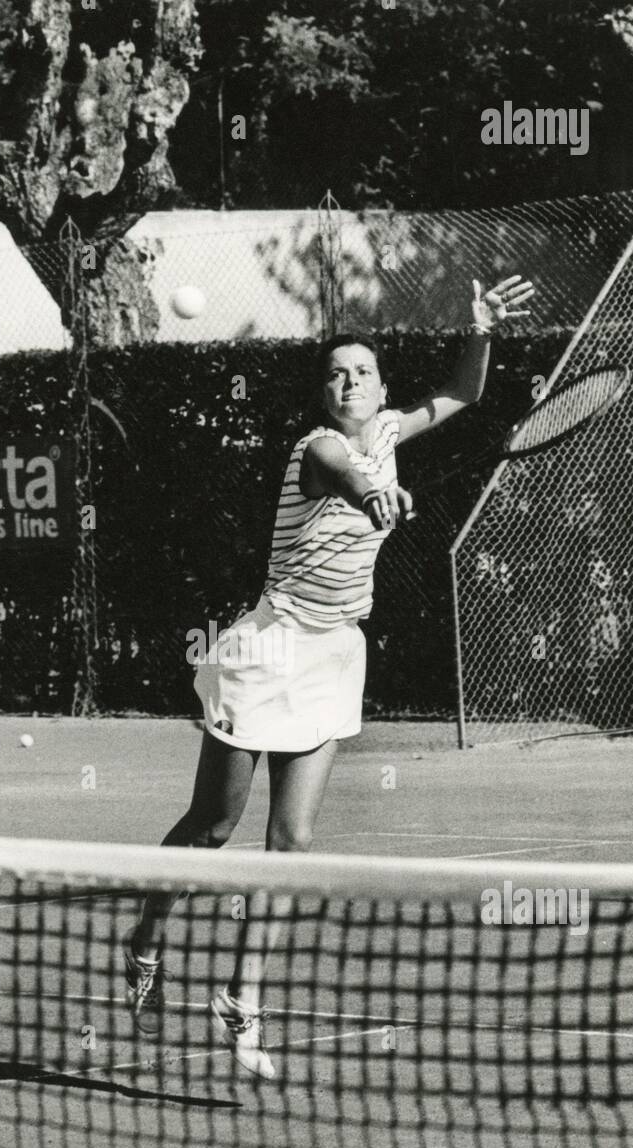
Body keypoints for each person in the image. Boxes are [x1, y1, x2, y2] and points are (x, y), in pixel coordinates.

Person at [125, 274, 535, 1078]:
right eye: (335, 374)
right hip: (268, 647)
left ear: (380, 388)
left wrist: (479, 330)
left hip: (332, 656)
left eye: (362, 372)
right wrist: (382, 496)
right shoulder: (315, 449)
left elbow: (460, 393)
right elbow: (350, 480)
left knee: (294, 840)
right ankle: (144, 943)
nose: (347, 383)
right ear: (325, 393)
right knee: (214, 825)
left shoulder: (386, 428)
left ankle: (243, 1003)